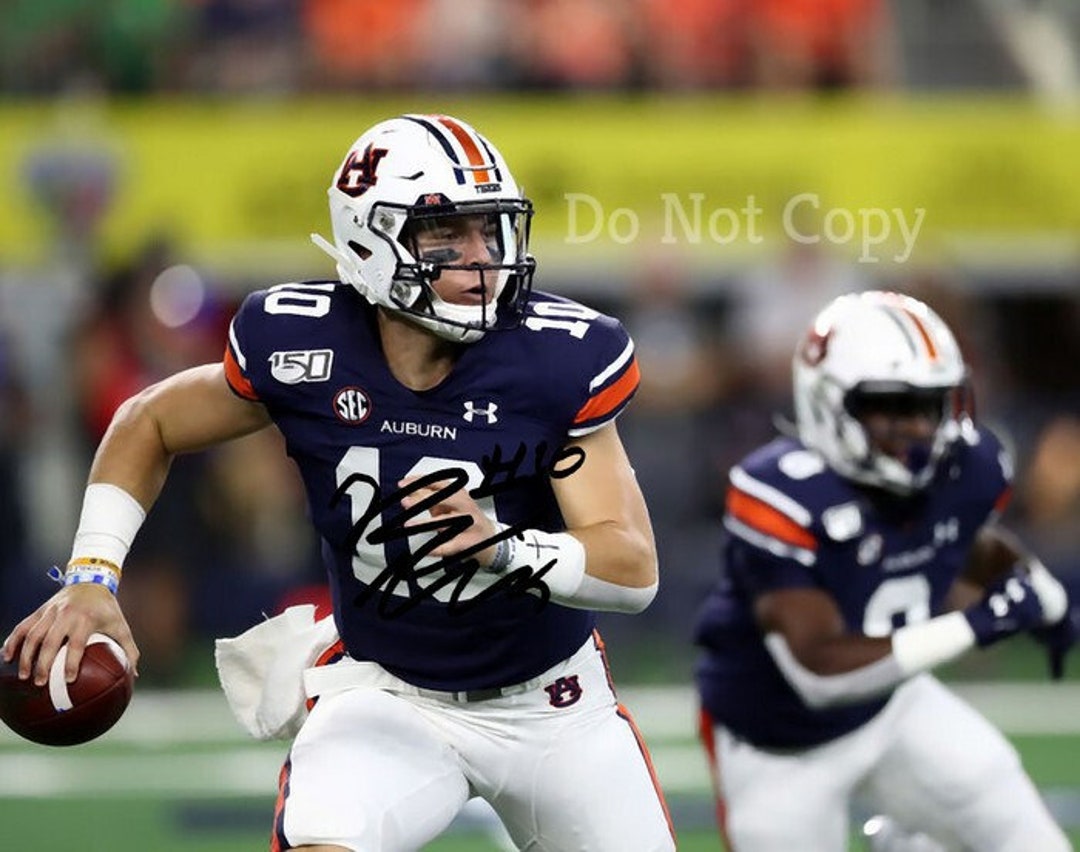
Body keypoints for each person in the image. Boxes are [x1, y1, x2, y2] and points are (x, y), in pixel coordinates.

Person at [3, 113, 676, 852]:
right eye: (447, 235)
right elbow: (148, 420)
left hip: (552, 705)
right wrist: (91, 576)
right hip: (386, 695)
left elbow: (633, 565)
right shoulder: (306, 342)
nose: (482, 258)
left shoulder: (554, 358)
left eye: (490, 230)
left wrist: (504, 550)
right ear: (368, 241)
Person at [693, 290, 1077, 852]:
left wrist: (1045, 598)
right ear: (827, 403)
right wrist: (976, 625)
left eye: (930, 405)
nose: (919, 427)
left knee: (1027, 835)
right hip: (778, 743)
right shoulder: (781, 492)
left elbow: (963, 537)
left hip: (893, 706)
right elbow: (818, 673)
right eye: (892, 406)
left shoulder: (964, 466)